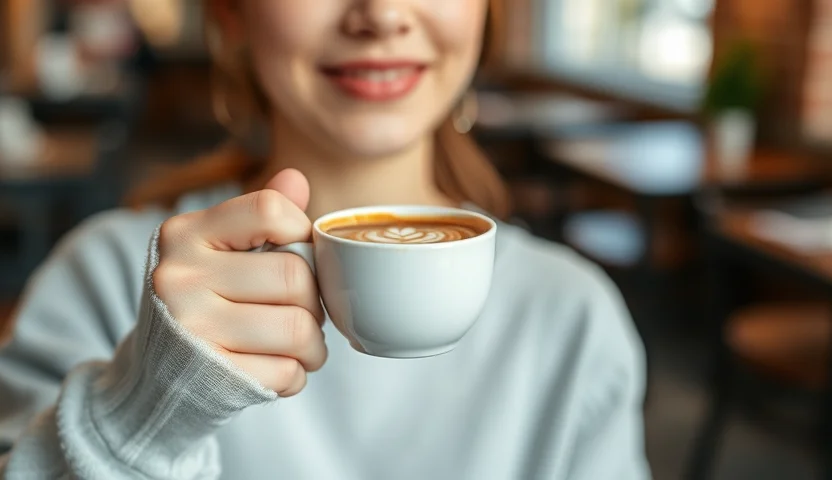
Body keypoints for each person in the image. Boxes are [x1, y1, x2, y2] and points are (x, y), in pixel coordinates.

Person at [0, 1, 650, 478]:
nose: (382, 14)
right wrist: (136, 418)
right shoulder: (107, 277)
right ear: (230, 15)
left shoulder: (574, 316)